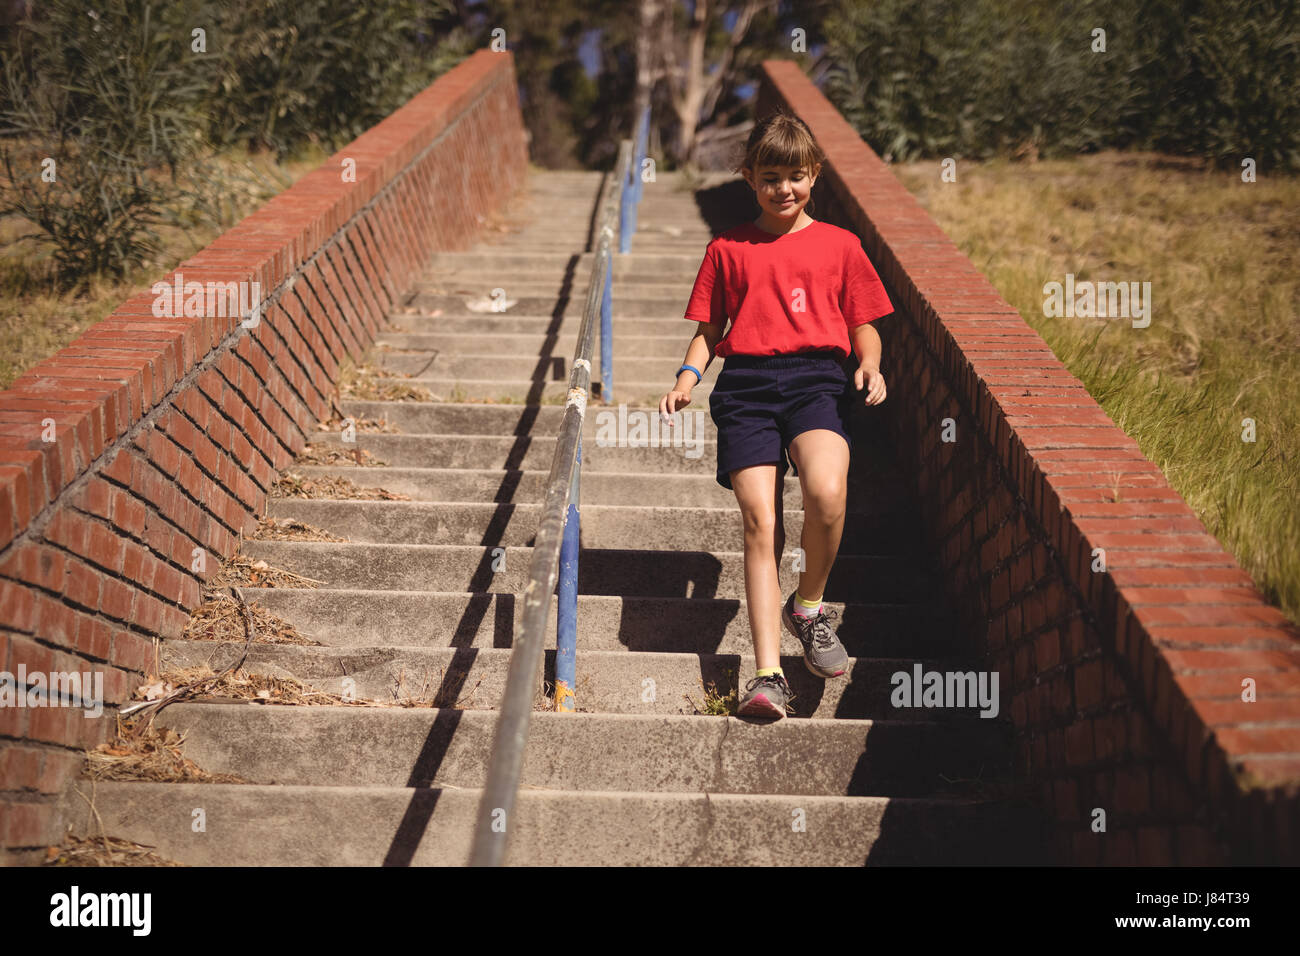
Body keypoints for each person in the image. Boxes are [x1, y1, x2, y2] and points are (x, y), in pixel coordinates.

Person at [657, 111, 893, 719]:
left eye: (794, 175)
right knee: (761, 523)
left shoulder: (841, 245)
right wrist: (687, 379)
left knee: (828, 492)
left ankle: (808, 606)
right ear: (748, 177)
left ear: (814, 174)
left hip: (818, 383)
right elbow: (710, 333)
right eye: (769, 177)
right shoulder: (726, 248)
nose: (782, 188)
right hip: (747, 390)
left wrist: (870, 364)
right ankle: (768, 677)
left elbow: (864, 324)